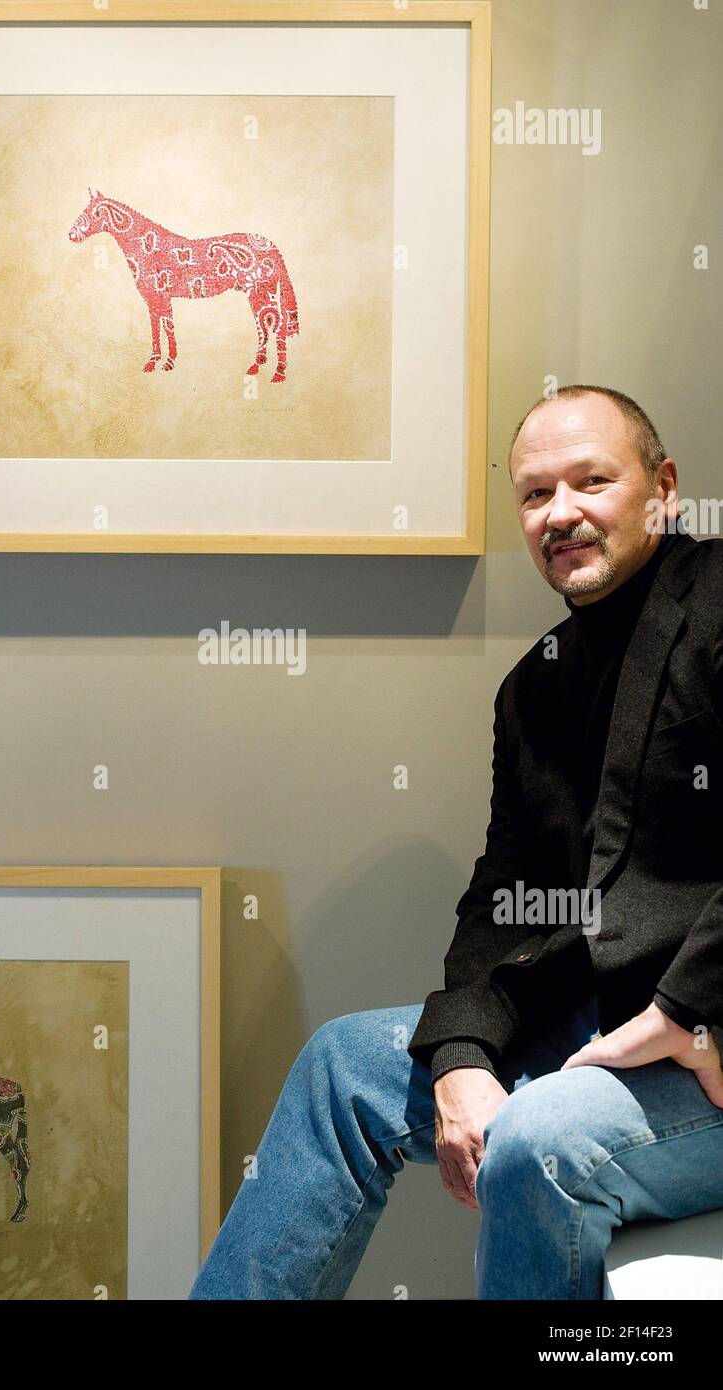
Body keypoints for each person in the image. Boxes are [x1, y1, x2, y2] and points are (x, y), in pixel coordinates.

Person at [188, 385, 723, 1300]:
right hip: (594, 1027)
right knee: (342, 1065)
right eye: (532, 494)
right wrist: (464, 1053)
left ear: (662, 486)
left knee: (539, 1135)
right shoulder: (532, 690)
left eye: (591, 480)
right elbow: (497, 895)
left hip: (703, 1047)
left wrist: (688, 1009)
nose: (560, 513)